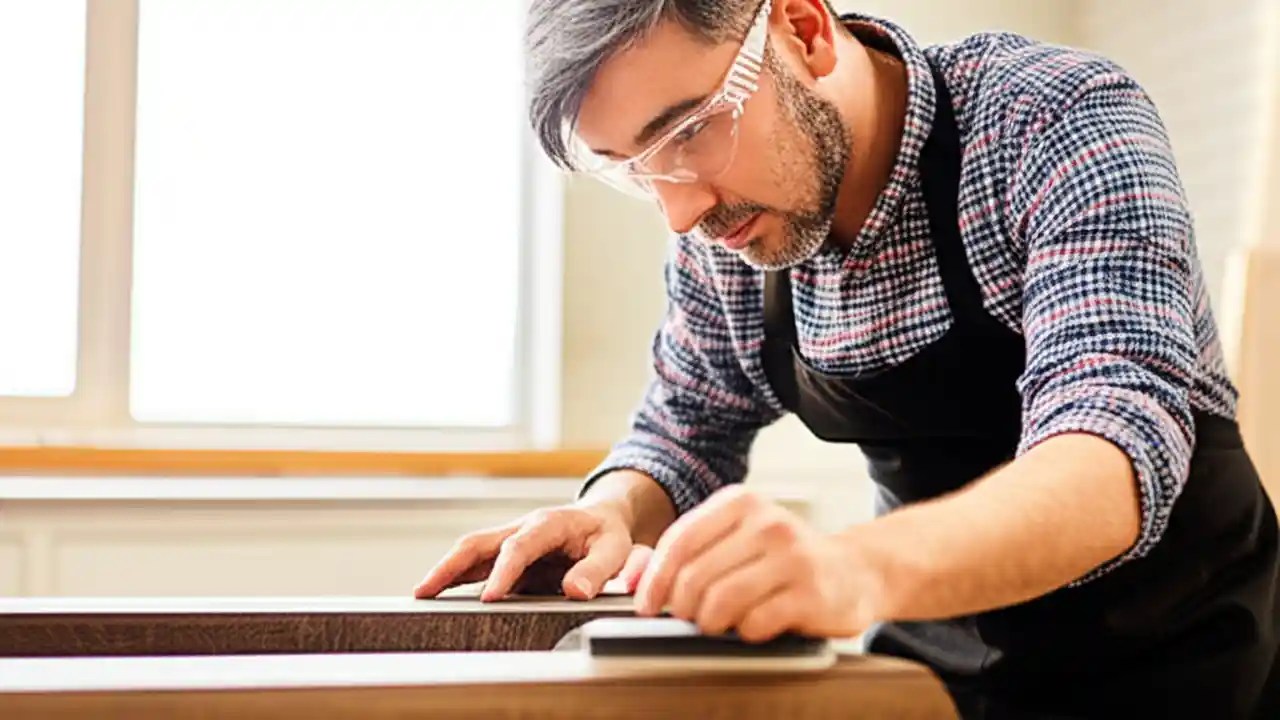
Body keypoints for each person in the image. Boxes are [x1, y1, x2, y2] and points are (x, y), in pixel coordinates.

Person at [414, 1, 1280, 716]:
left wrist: (850, 567)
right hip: (927, 670)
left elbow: (1111, 451)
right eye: (633, 170)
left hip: (1178, 661)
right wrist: (610, 512)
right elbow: (684, 430)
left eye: (688, 133)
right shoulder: (726, 225)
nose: (680, 213)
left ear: (803, 27)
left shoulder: (1054, 119)